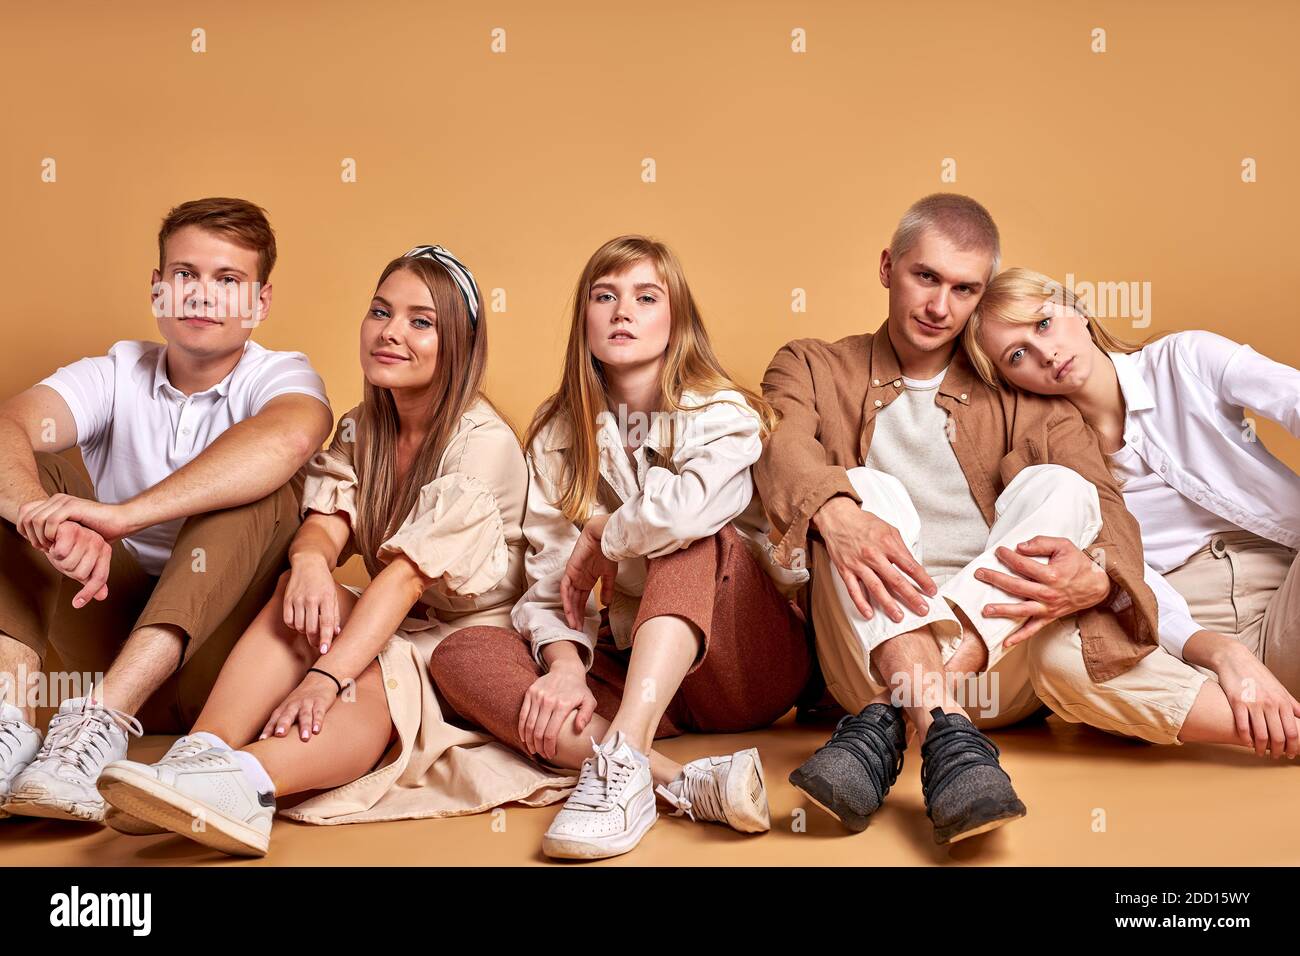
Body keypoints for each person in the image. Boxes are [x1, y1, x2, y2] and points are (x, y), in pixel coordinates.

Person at [94, 244, 579, 857]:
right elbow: (326, 523)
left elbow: (403, 580)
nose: (391, 333)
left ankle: (248, 782)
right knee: (303, 600)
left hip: (477, 639)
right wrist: (309, 563)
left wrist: (324, 677)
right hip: (398, 618)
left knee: (377, 678)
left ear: (458, 344)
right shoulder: (362, 427)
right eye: (380, 312)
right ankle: (202, 755)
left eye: (420, 322)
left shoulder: (482, 443)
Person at [754, 193, 1162, 844]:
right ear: (888, 267)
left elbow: (1103, 502)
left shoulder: (1021, 390)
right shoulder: (810, 364)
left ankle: (912, 716)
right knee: (860, 487)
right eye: (926, 277)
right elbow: (781, 447)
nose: (941, 307)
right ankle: (946, 736)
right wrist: (834, 512)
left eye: (965, 289)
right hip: (865, 659)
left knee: (1064, 486)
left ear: (982, 295)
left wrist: (1101, 573)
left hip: (1001, 668)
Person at [428, 235, 813, 861]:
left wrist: (605, 533)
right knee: (463, 653)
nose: (622, 312)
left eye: (645, 297)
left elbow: (685, 511)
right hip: (640, 670)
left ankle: (623, 755)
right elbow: (551, 573)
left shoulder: (724, 411)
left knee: (687, 539)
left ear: (676, 319)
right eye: (604, 296)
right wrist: (564, 668)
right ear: (584, 318)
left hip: (747, 666)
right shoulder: (557, 432)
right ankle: (674, 780)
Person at [0, 198, 332, 823]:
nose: (201, 296)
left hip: (215, 664)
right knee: (23, 474)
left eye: (227, 281)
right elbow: (6, 425)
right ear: (158, 290)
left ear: (260, 304)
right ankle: (7, 722)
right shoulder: (118, 370)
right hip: (94, 634)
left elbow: (287, 440)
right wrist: (42, 516)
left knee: (254, 488)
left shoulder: (281, 375)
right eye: (184, 275)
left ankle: (101, 723)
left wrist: (121, 516)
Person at [966, 267, 1300, 759]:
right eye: (1017, 356)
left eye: (1042, 324)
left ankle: (1275, 715)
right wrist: (1218, 650)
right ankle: (1282, 728)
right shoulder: (1053, 464)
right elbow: (1130, 580)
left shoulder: (1184, 360)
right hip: (1185, 648)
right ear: (1008, 379)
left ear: (1075, 308)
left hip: (1286, 592)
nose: (1045, 354)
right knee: (1057, 655)